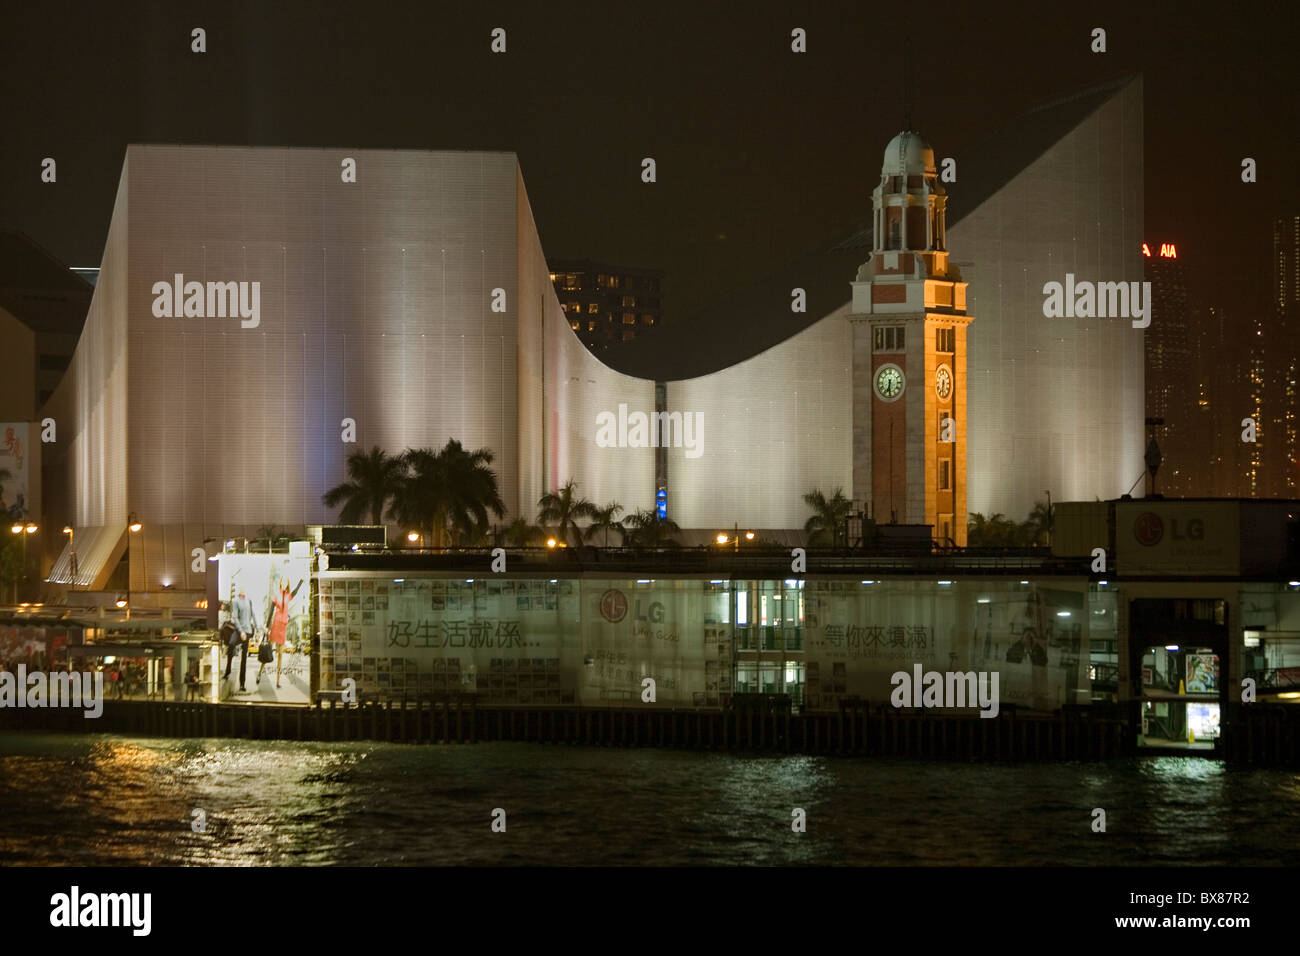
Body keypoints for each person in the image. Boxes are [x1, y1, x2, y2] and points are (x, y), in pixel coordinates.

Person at [265, 574, 303, 689]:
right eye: (284, 581)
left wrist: (300, 583)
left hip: (283, 626)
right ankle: (261, 670)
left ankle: (277, 681)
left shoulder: (288, 596)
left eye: (287, 582)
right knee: (267, 649)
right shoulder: (276, 596)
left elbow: (295, 592)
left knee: (280, 654)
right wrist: (267, 626)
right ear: (281, 583)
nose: (285, 584)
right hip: (276, 624)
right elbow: (271, 610)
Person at [227, 588, 256, 692]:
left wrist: (257, 628)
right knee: (231, 644)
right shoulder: (235, 601)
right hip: (239, 630)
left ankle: (242, 684)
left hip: (247, 631)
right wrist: (240, 631)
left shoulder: (249, 601)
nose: (243, 590)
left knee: (244, 658)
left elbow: (253, 615)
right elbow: (235, 617)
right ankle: (228, 670)